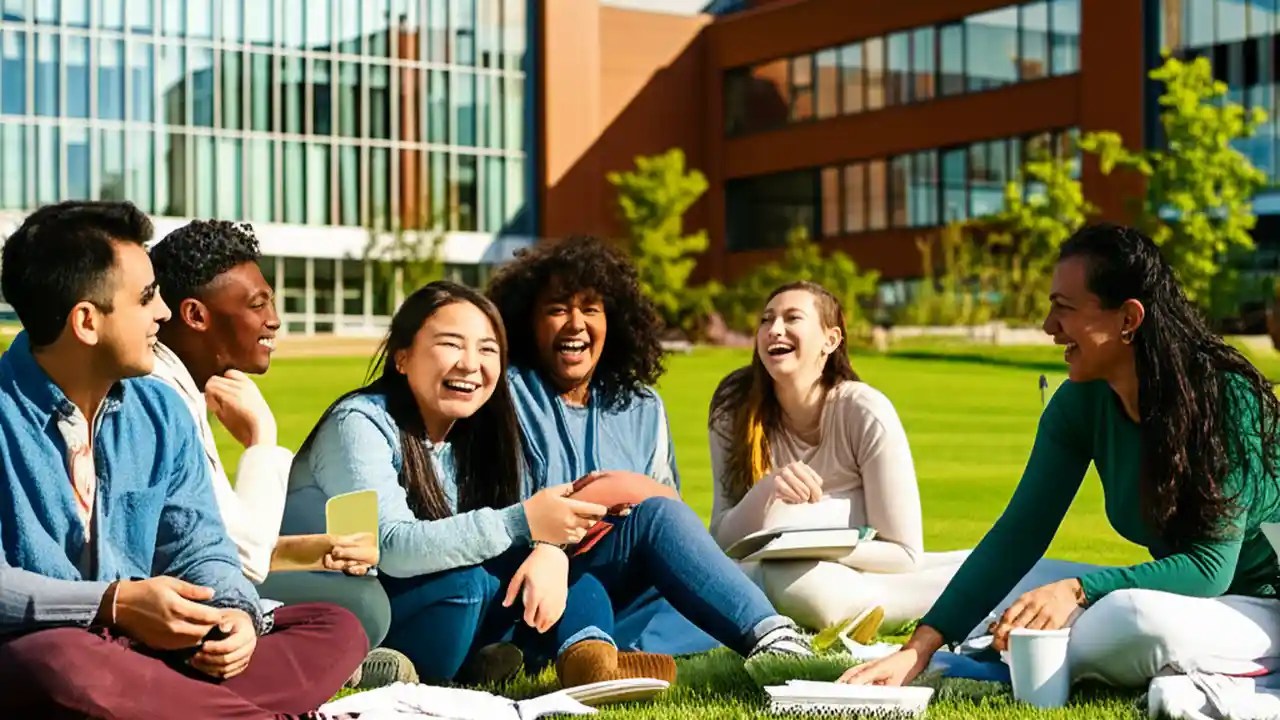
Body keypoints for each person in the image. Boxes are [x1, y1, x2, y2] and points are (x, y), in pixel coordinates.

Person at [280, 280, 812, 687]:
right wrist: (525, 525)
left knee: (650, 524)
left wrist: (550, 551)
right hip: (366, 603)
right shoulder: (360, 424)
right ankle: (572, 655)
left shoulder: (474, 430)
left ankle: (772, 639)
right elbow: (390, 547)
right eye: (450, 344)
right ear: (401, 356)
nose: (472, 363)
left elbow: (500, 537)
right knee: (470, 590)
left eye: (488, 349)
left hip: (458, 591)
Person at [839, 223, 1280, 692]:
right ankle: (1002, 653)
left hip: (1261, 602)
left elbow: (1211, 568)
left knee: (1129, 619)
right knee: (1023, 583)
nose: (1049, 328)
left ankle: (1009, 658)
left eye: (1064, 310)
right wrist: (918, 648)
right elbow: (1019, 535)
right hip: (1189, 601)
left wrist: (1078, 591)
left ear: (1128, 319)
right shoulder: (1080, 404)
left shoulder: (1226, 400)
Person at [0, 201, 366, 719]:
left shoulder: (159, 411)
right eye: (146, 297)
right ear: (87, 321)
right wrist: (116, 603)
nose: (164, 313)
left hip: (145, 656)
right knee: (55, 661)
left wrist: (234, 615)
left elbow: (202, 546)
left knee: (334, 627)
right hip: (41, 648)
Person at [147, 219, 414, 688]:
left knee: (349, 582)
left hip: (192, 586)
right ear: (194, 315)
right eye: (257, 304)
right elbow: (242, 557)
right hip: (167, 607)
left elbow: (214, 537)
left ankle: (320, 656)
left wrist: (309, 553)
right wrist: (260, 440)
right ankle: (321, 661)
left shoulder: (184, 389)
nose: (273, 319)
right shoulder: (159, 397)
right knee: (362, 609)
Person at [484, 235, 738, 656]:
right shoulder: (504, 396)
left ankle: (615, 651)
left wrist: (632, 498)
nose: (575, 323)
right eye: (557, 309)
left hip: (627, 578)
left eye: (590, 308)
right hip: (535, 576)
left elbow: (667, 509)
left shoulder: (642, 406)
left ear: (613, 321)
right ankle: (598, 648)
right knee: (581, 588)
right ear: (528, 323)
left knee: (708, 584)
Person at [708, 281, 969, 632]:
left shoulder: (863, 410)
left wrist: (811, 545)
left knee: (803, 588)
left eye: (792, 318)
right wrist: (768, 490)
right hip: (761, 573)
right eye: (766, 320)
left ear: (830, 340)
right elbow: (723, 542)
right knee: (758, 581)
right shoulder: (734, 405)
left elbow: (906, 554)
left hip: (856, 574)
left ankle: (960, 587)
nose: (775, 329)